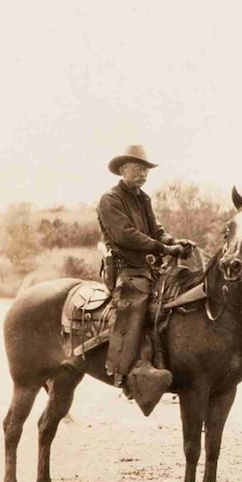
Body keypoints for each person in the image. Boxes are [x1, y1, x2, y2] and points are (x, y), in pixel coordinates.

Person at [97, 145, 194, 416]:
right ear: (122, 169)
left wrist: (174, 242)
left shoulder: (144, 199)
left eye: (146, 170)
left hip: (148, 269)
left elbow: (157, 230)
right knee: (136, 304)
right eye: (138, 169)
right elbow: (125, 235)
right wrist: (164, 250)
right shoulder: (110, 199)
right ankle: (128, 374)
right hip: (125, 271)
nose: (143, 174)